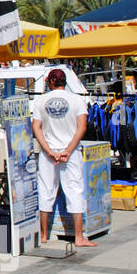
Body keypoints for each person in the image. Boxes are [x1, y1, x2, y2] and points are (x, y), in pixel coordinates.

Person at [32, 68, 95, 247]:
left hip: (48, 153)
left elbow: (36, 127)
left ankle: (44, 234)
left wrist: (49, 150)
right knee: (75, 190)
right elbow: (82, 127)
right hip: (71, 152)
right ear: (64, 81)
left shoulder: (40, 100)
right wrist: (68, 150)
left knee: (46, 190)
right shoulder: (77, 99)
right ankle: (79, 237)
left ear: (51, 82)